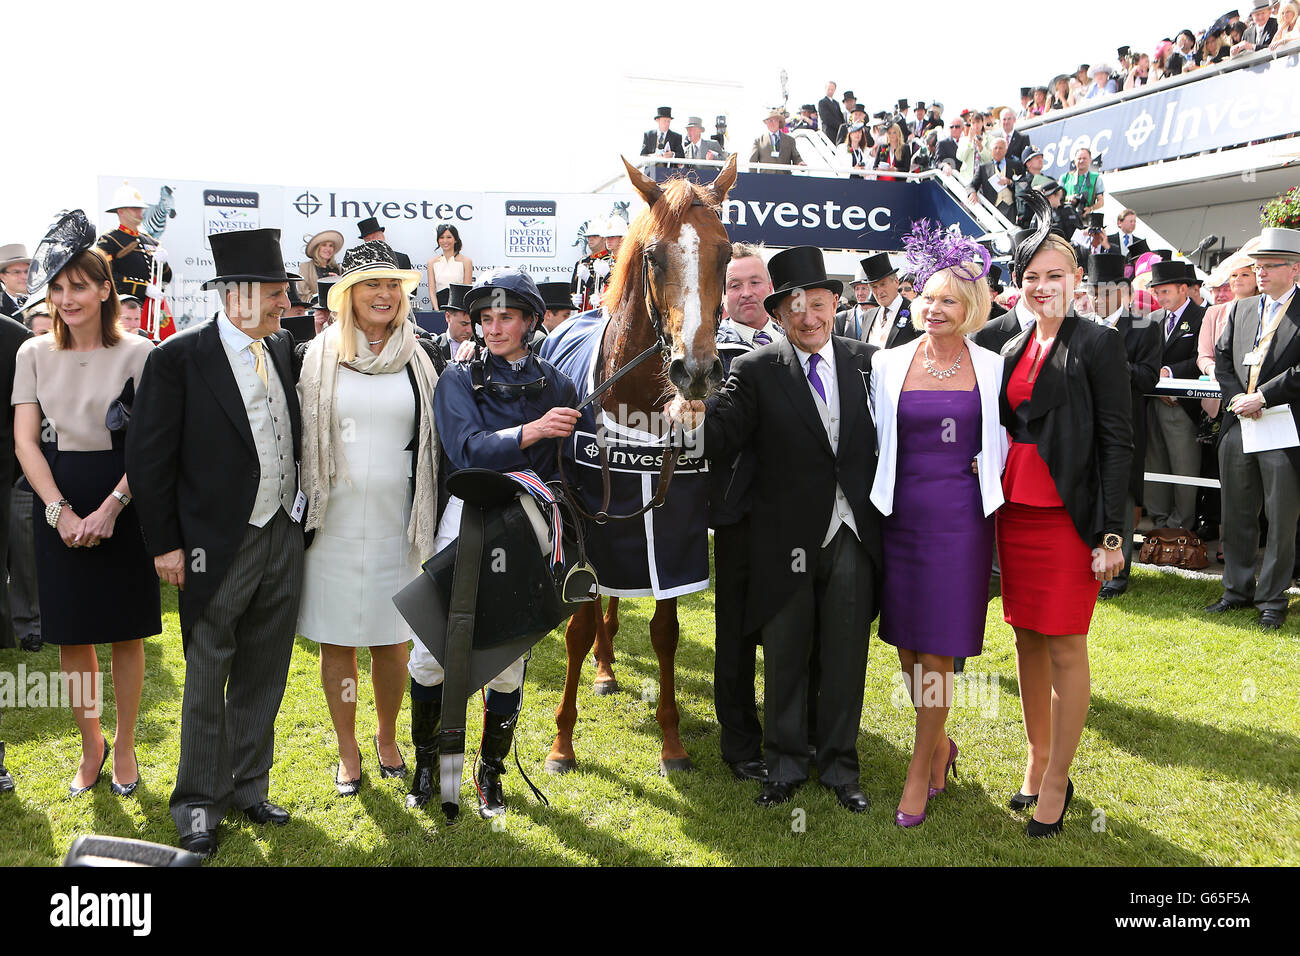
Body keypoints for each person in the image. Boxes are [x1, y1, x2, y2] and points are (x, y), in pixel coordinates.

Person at [670, 245, 882, 813]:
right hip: (784, 540)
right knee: (786, 654)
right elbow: (719, 438)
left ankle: (840, 767)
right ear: (779, 314)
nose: (808, 316)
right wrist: (691, 412)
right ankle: (785, 764)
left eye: (818, 302)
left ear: (835, 303)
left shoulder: (869, 361)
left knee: (844, 656)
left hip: (853, 534)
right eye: (794, 306)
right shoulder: (756, 368)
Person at [127, 228, 306, 860]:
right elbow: (150, 459)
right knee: (208, 671)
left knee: (266, 666)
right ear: (238, 295)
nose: (287, 303)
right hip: (212, 543)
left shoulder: (282, 348)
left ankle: (248, 787)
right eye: (278, 293)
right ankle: (198, 803)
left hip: (282, 530)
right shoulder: (177, 358)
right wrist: (166, 546)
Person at [405, 268, 579, 818]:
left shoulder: (557, 382)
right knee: (430, 652)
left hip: (529, 524)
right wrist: (531, 432)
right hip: (468, 520)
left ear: (531, 320)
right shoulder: (458, 377)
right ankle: (427, 765)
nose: (494, 327)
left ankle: (491, 774)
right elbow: (467, 449)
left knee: (508, 658)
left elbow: (579, 454)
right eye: (485, 318)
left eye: (506, 317)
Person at [996, 195, 1131, 836]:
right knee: (1024, 637)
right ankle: (1036, 755)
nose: (1043, 287)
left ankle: (1058, 778)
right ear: (1018, 284)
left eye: (1055, 275)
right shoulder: (1013, 341)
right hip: (1015, 512)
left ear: (1077, 280)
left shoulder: (1099, 343)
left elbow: (1117, 441)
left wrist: (1111, 535)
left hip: (1070, 518)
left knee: (1067, 644)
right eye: (1031, 277)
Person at [12, 212, 159, 798]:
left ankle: (124, 746)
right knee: (74, 636)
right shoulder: (32, 354)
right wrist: (60, 511)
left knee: (126, 633)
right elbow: (26, 439)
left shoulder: (141, 354)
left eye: (79, 286)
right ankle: (90, 744)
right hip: (59, 487)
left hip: (125, 489)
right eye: (57, 288)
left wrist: (112, 508)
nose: (67, 298)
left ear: (105, 290)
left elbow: (150, 445)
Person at [870, 224, 1007, 828]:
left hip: (960, 520)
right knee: (907, 644)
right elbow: (874, 438)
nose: (934, 309)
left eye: (949, 300)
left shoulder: (993, 366)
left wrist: (990, 462)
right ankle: (940, 747)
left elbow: (1011, 433)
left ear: (971, 308)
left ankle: (918, 770)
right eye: (927, 297)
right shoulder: (887, 363)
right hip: (899, 517)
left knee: (940, 650)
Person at [296, 240, 439, 794]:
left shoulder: (421, 358)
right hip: (332, 525)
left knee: (391, 639)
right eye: (372, 284)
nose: (384, 294)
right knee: (338, 641)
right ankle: (347, 747)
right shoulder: (317, 355)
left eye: (393, 285)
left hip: (399, 524)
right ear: (347, 295)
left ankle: (385, 735)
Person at [710, 243, 781, 782]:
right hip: (737, 512)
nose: (746, 293)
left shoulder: (797, 343)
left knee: (789, 627)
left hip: (795, 513)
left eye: (754, 282)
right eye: (735, 285)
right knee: (734, 633)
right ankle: (740, 744)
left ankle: (788, 728)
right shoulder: (706, 355)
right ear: (722, 294)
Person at [1211, 227, 1300, 629]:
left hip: (1284, 427)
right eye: (1256, 266)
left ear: (1294, 269)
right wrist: (1236, 400)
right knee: (1236, 511)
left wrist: (1263, 396)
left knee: (1281, 518)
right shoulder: (1243, 308)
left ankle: (1272, 599)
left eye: (1268, 266)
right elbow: (1223, 359)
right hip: (1240, 423)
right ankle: (1236, 590)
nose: (1259, 273)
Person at [1086, 254, 1161, 600]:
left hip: (1124, 428)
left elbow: (1148, 378)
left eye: (1104, 291)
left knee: (1121, 502)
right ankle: (1088, 559)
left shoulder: (1145, 325)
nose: (1097, 298)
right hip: (1084, 426)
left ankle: (1117, 570)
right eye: (1092, 291)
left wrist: (1113, 359)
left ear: (1124, 293)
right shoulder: (1078, 325)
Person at [1145, 260, 1205, 533]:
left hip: (1183, 404)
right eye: (1157, 293)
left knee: (1184, 465)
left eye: (1165, 291)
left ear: (1184, 289)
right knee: (1154, 461)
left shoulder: (1203, 317)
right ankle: (1159, 520)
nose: (1160, 298)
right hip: (1154, 401)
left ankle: (1182, 525)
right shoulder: (1153, 319)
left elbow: (1202, 359)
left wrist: (1169, 373)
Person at [97, 184, 173, 338]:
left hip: (151, 310)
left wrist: (163, 263)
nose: (140, 212)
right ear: (121, 211)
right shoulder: (109, 240)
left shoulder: (151, 241)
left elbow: (165, 279)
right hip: (123, 309)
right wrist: (142, 288)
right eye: (134, 208)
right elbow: (107, 278)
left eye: (140, 208)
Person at [855, 253, 923, 350]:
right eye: (874, 287)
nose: (879, 291)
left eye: (883, 284)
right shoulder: (868, 316)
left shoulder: (915, 311)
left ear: (896, 281)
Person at [569, 222, 611, 311]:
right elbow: (573, 288)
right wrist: (573, 299)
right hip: (582, 311)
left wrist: (589, 280)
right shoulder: (581, 262)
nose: (590, 239)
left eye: (595, 236)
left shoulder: (610, 261)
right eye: (589, 236)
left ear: (604, 238)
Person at [750, 109, 804, 174]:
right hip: (764, 180)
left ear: (779, 122)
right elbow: (752, 163)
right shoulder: (758, 141)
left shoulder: (790, 140)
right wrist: (752, 180)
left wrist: (800, 163)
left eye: (774, 120)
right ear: (766, 123)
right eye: (769, 121)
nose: (772, 123)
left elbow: (796, 157)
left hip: (785, 180)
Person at [298, 228, 343, 301]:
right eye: (324, 245)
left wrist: (339, 281)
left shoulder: (338, 268)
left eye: (331, 245)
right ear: (317, 248)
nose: (328, 249)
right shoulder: (305, 267)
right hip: (314, 310)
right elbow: (303, 294)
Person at [427, 223, 473, 294]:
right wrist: (436, 305)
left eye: (449, 237)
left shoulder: (466, 261)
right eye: (441, 237)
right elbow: (432, 291)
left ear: (455, 240)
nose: (445, 241)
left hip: (459, 304)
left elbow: (466, 291)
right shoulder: (431, 262)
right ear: (438, 240)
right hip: (439, 304)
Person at [434, 283, 474, 360]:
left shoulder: (484, 349)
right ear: (448, 317)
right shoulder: (434, 348)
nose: (469, 330)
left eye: (472, 324)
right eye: (464, 324)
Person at [1061, 147, 1104, 215]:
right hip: (1067, 215)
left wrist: (1090, 209)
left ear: (1090, 160)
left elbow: (1101, 202)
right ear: (1075, 161)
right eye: (1079, 158)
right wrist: (1069, 199)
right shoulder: (1065, 177)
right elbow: (1057, 198)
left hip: (1085, 216)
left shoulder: (1096, 178)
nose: (1081, 161)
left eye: (1084, 158)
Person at [0, 245, 31, 317]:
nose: (24, 277)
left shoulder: (46, 303)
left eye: (27, 271)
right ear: (2, 277)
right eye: (16, 272)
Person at [818, 81, 846, 146]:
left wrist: (843, 127)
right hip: (829, 132)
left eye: (832, 89)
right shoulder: (822, 102)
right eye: (829, 89)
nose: (830, 91)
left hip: (838, 133)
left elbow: (840, 116)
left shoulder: (836, 103)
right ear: (825, 89)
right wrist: (839, 126)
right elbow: (826, 118)